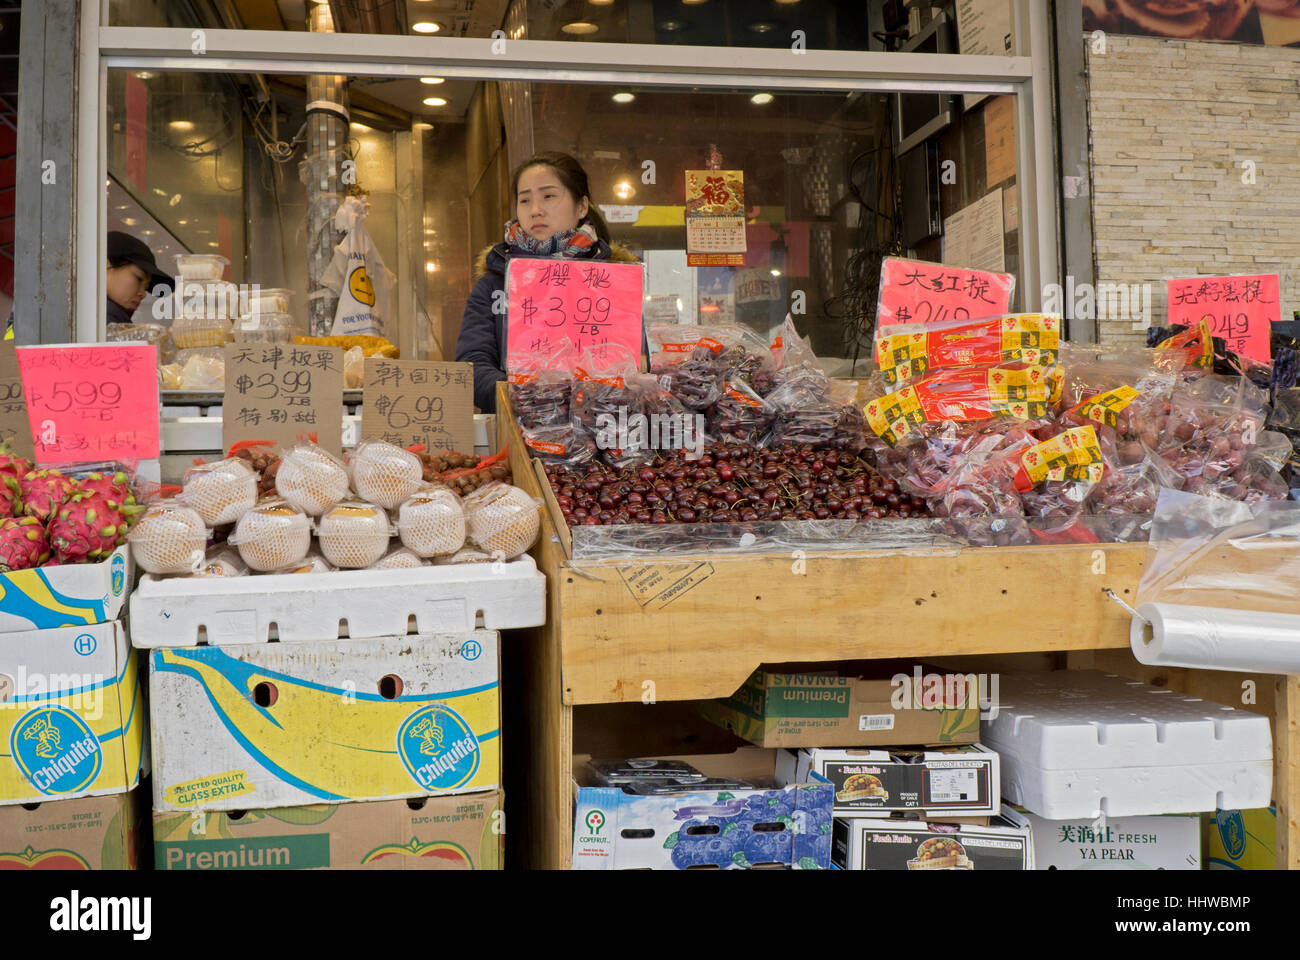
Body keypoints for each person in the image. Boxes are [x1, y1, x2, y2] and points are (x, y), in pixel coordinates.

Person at [456, 151, 639, 413]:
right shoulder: (494, 284)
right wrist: (528, 398)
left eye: (548, 196)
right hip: (518, 427)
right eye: (525, 200)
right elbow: (472, 365)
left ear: (581, 207)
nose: (535, 210)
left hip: (600, 427)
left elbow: (634, 364)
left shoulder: (615, 281)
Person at [106, 230, 173, 326]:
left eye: (146, 288)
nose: (143, 294)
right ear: (106, 264)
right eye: (139, 279)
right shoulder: (107, 317)